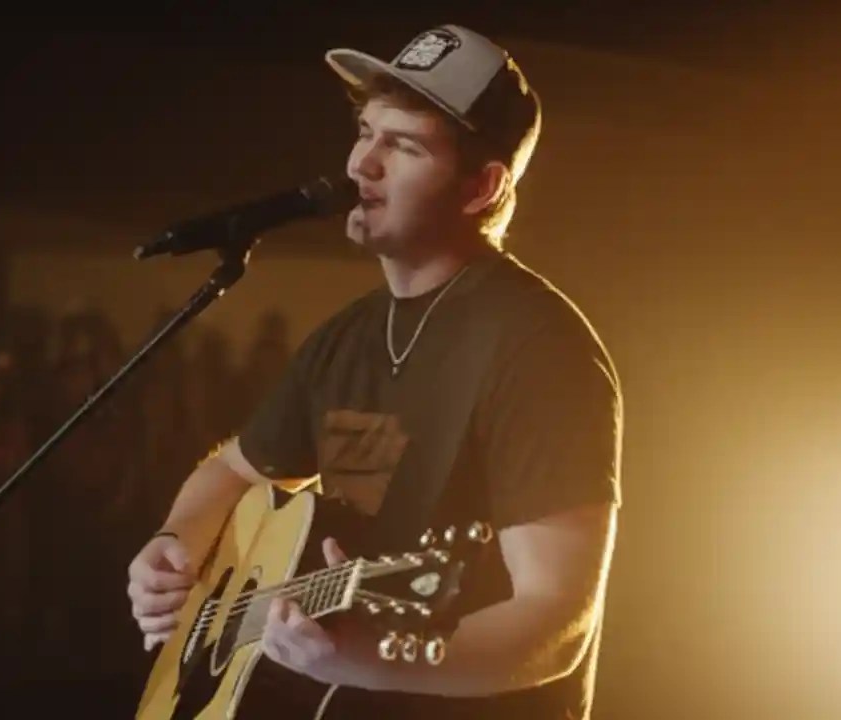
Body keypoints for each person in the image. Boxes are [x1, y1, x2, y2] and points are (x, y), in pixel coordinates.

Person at [127, 24, 623, 719]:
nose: (363, 163)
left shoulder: (538, 346)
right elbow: (234, 470)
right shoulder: (348, 338)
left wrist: (364, 660)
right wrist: (171, 545)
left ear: (481, 187)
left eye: (404, 145)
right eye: (367, 131)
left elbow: (555, 623)